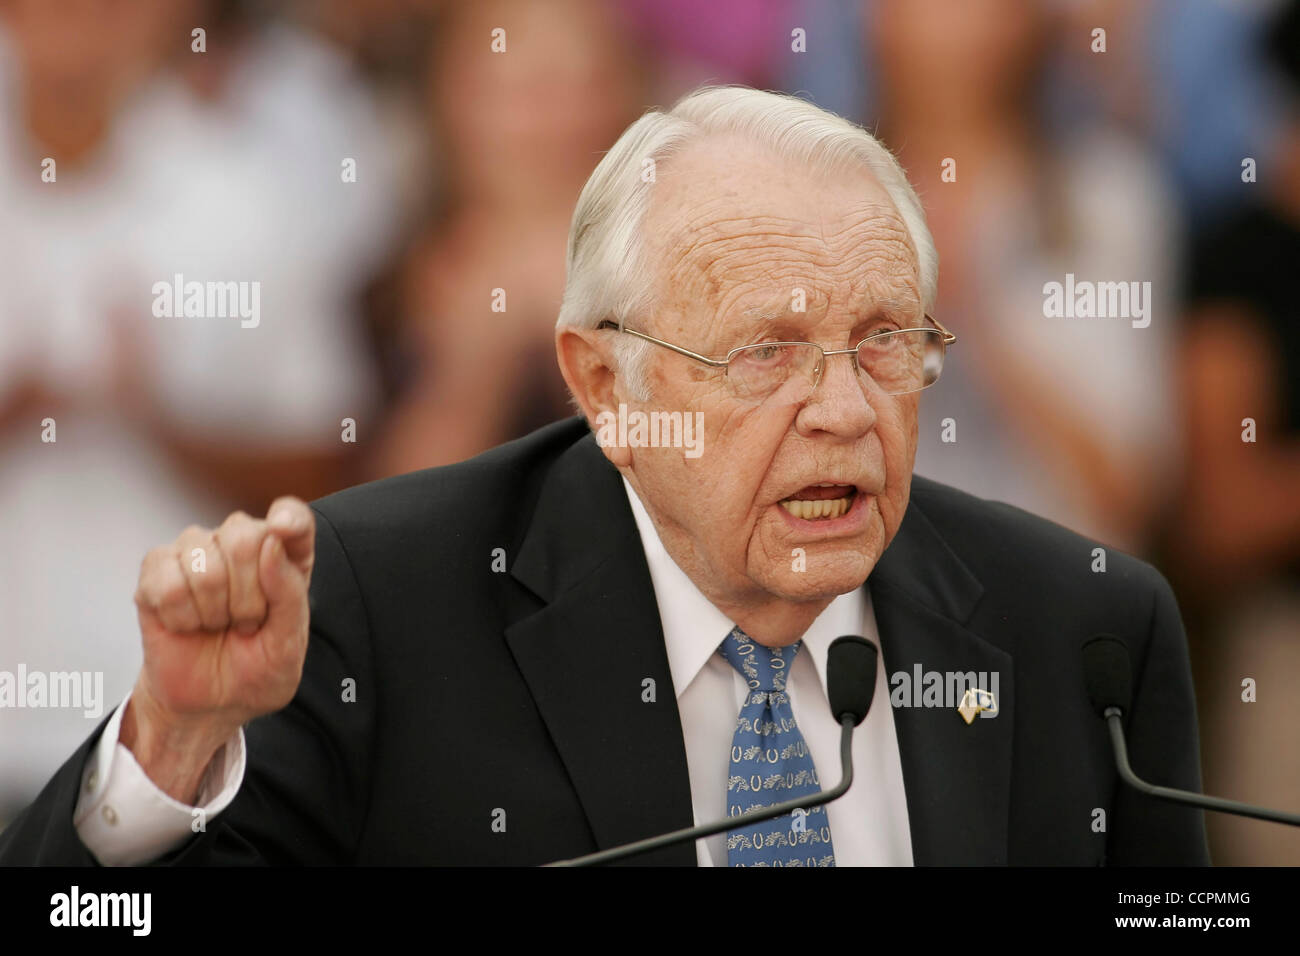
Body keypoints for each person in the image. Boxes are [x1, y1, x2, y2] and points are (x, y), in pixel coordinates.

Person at [0, 86, 1208, 866]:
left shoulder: (1083, 629)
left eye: (885, 340)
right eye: (765, 351)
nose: (843, 410)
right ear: (603, 385)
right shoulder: (380, 608)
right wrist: (169, 743)